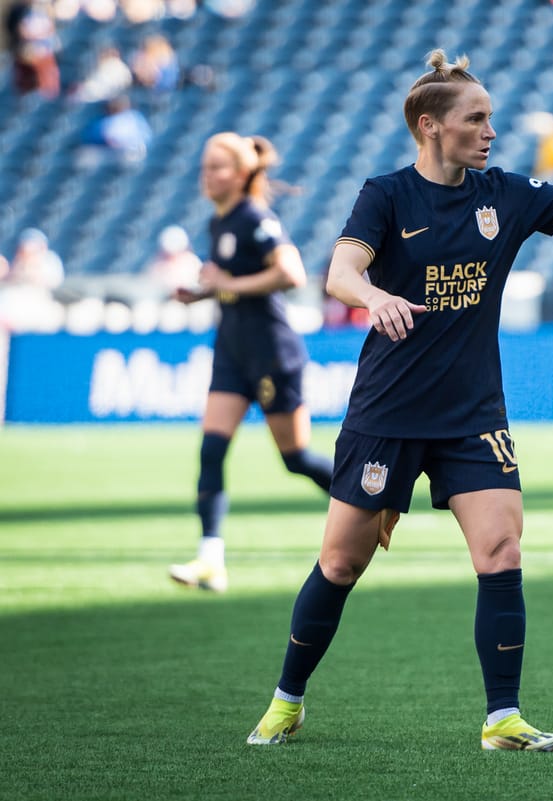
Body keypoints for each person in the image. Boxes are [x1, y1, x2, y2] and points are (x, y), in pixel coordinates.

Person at [245, 49, 553, 751]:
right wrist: (376, 296)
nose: (489, 132)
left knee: (502, 549)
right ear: (429, 126)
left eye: (490, 118)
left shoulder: (504, 194)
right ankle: (286, 699)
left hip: (472, 413)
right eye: (474, 119)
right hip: (387, 411)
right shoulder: (386, 195)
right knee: (340, 563)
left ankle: (502, 718)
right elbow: (340, 271)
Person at [168, 132, 334, 593]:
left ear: (242, 174)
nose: (208, 176)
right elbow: (229, 282)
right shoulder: (218, 223)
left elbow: (291, 273)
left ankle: (372, 500)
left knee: (296, 459)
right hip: (232, 351)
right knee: (211, 450)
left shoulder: (255, 218)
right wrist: (202, 292)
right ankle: (210, 560)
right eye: (205, 168)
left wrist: (226, 284)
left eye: (218, 168)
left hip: (271, 352)